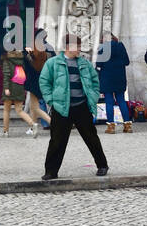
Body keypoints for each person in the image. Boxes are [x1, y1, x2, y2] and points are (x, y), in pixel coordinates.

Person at [39, 31, 108, 180]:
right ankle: (51, 171)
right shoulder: (53, 63)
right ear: (67, 47)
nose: (79, 49)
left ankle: (102, 165)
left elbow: (95, 81)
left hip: (82, 106)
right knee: (57, 141)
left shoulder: (84, 63)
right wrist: (51, 100)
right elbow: (44, 82)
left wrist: (93, 96)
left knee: (91, 138)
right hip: (61, 107)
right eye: (77, 46)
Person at [96, 31, 133, 134]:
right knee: (121, 100)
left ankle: (111, 126)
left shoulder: (103, 48)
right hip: (119, 77)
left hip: (107, 78)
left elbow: (99, 64)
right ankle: (127, 125)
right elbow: (127, 62)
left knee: (109, 101)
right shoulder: (120, 46)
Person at [0, 45, 40, 136]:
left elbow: (7, 74)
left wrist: (6, 88)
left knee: (6, 110)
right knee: (19, 110)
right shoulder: (21, 59)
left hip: (10, 87)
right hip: (19, 87)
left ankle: (5, 131)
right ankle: (33, 124)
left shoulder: (7, 59)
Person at [22, 37, 51, 134]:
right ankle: (33, 128)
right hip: (41, 82)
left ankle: (53, 123)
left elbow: (27, 63)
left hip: (33, 84)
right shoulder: (45, 54)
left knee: (35, 108)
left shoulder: (32, 57)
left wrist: (26, 53)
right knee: (33, 107)